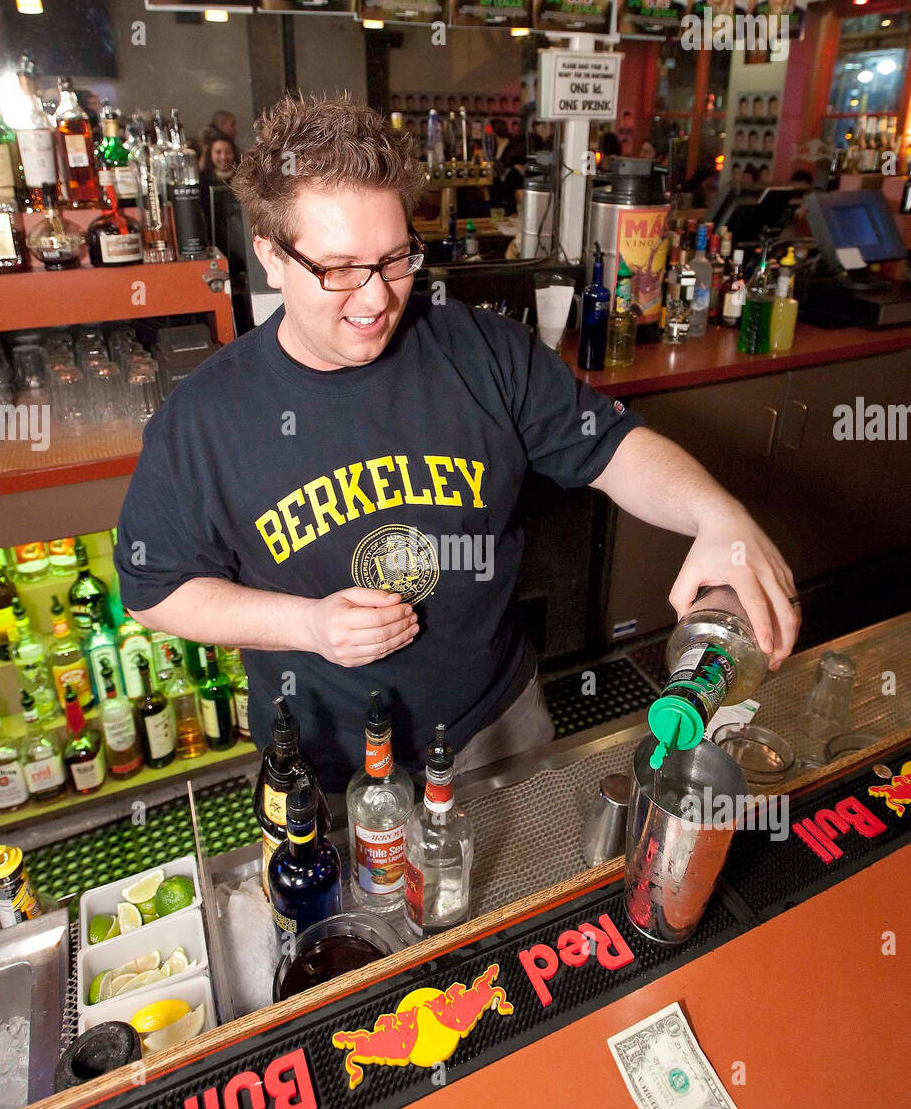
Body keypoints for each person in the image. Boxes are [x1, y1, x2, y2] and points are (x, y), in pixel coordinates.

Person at [114, 95, 798, 791]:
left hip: (496, 727)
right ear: (268, 255)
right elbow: (153, 591)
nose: (376, 297)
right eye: (341, 268)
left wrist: (719, 516)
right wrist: (308, 626)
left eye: (395, 259)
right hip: (323, 755)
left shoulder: (483, 351)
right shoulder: (204, 418)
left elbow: (615, 447)